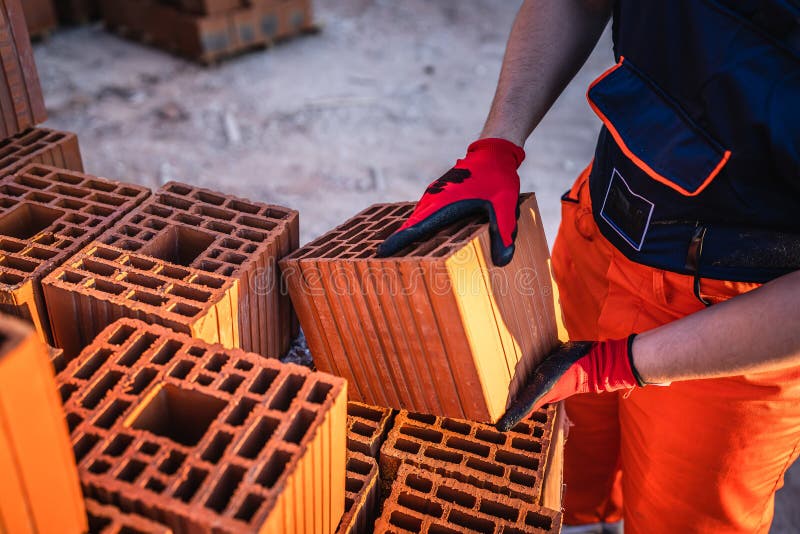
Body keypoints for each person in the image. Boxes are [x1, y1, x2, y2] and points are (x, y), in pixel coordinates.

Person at [377, 1, 800, 532]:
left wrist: (616, 366)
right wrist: (496, 147)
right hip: (596, 236)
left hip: (737, 328)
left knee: (683, 517)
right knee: (556, 474)